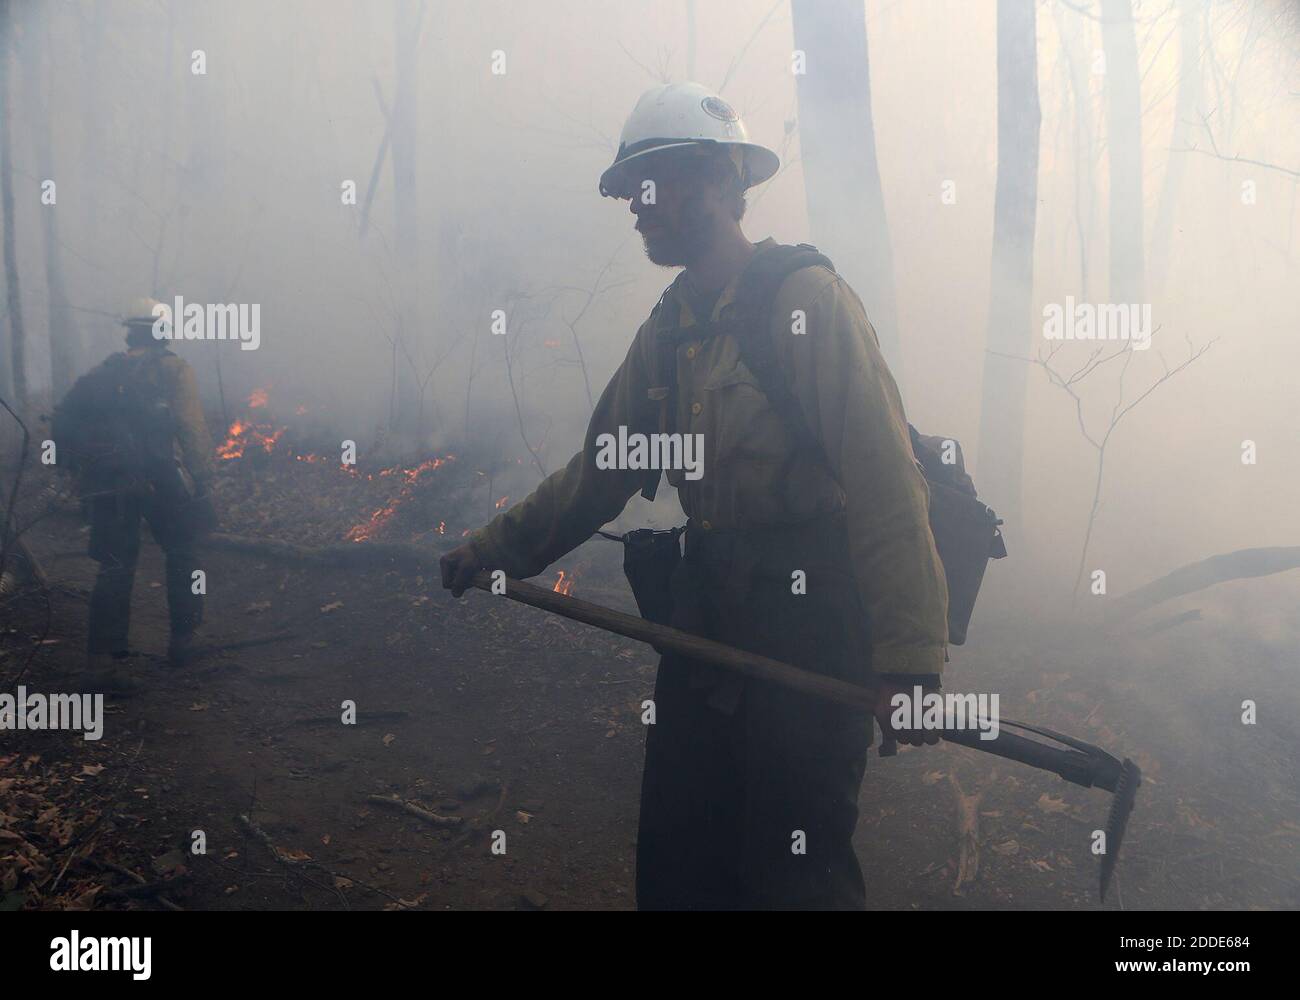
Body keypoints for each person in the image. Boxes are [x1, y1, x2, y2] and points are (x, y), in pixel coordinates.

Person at [441, 83, 948, 909]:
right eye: (628, 193)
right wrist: (495, 549)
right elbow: (601, 468)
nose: (637, 211)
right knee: (683, 856)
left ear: (720, 184)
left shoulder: (807, 303)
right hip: (706, 618)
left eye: (654, 186)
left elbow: (888, 482)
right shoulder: (672, 327)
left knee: (795, 868)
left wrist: (910, 665)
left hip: (811, 621)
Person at [53, 297, 217, 692]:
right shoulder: (174, 370)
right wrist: (204, 479)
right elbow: (191, 430)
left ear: (131, 332)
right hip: (159, 478)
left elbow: (63, 425)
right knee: (183, 553)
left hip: (110, 485)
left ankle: (100, 667)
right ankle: (182, 642)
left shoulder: (101, 374)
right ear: (164, 332)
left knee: (113, 568)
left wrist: (82, 476)